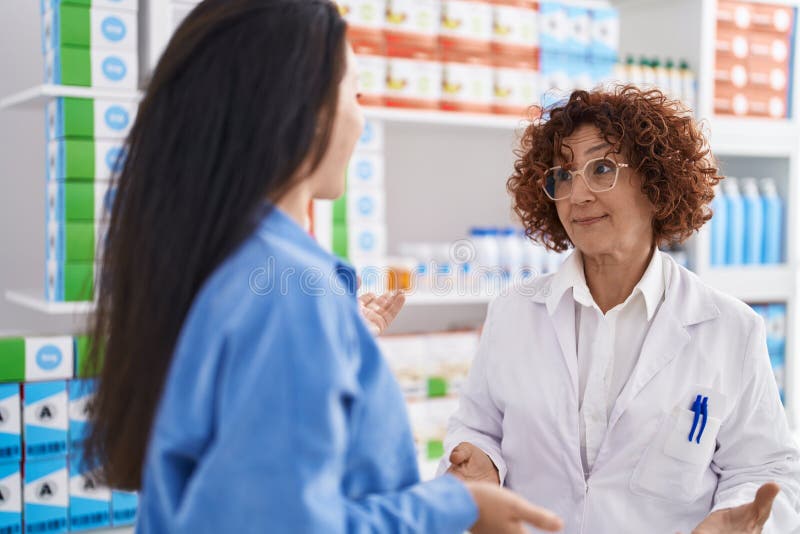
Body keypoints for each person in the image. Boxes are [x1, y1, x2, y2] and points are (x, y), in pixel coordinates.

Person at [81, 1, 564, 533]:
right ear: (303, 111)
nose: (361, 118)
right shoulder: (290, 293)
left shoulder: (216, 256)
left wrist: (337, 350)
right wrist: (457, 505)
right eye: (354, 95)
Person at [441, 86, 800, 533]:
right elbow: (475, 428)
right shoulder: (513, 314)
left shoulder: (730, 329)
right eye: (564, 175)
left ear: (656, 182)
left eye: (602, 168)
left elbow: (763, 467)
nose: (579, 194)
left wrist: (742, 518)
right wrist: (479, 462)